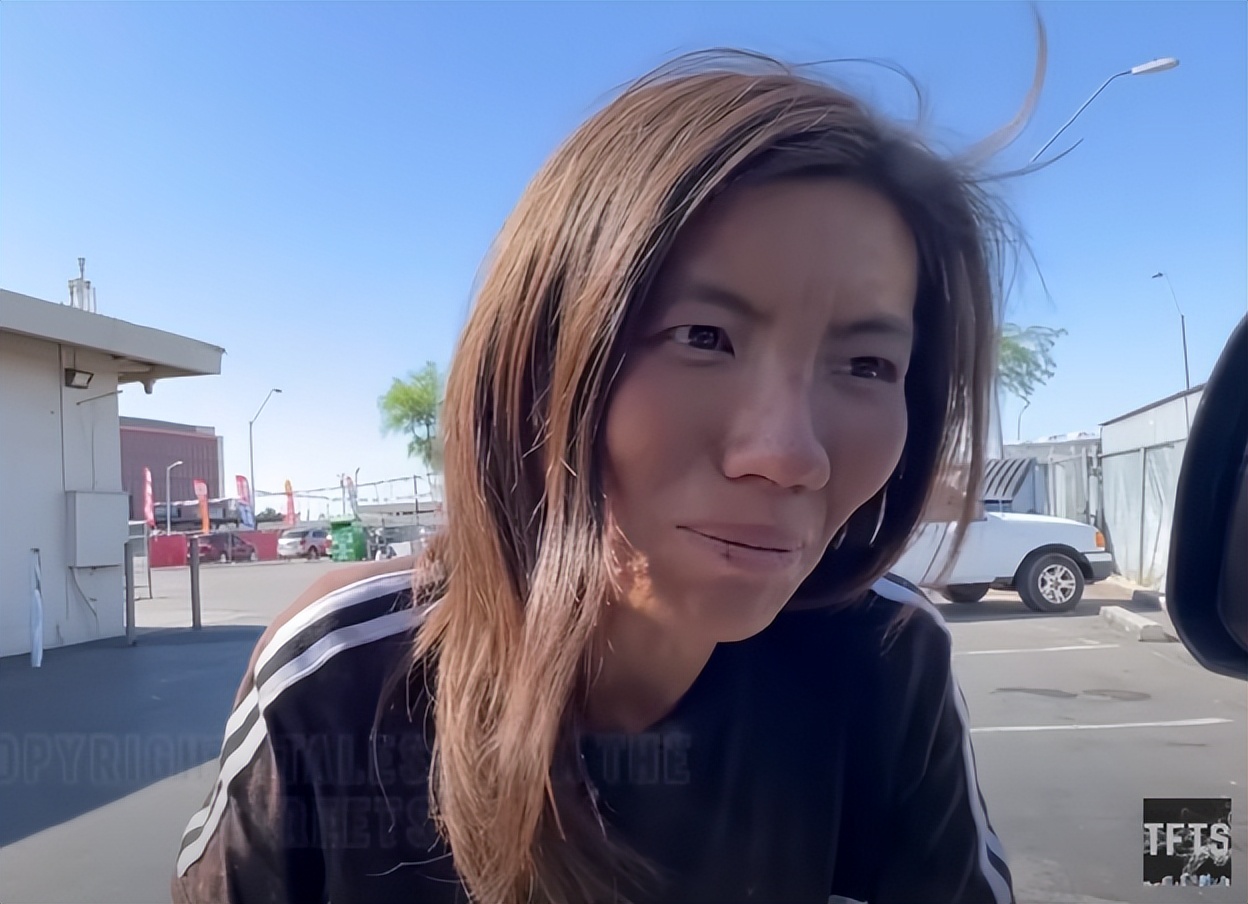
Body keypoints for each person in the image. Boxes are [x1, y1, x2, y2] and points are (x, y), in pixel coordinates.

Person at [172, 45, 1036, 904]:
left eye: (867, 365)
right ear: (540, 363)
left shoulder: (883, 661)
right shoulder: (341, 683)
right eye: (704, 337)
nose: (790, 454)